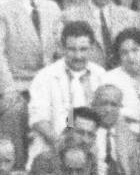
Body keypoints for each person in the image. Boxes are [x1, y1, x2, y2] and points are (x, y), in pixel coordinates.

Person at [27, 18, 105, 157]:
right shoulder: (45, 76)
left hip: (93, 148)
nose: (78, 55)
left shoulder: (101, 75)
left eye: (83, 49)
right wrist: (62, 144)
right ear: (62, 48)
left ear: (92, 48)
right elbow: (38, 119)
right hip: (53, 147)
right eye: (72, 49)